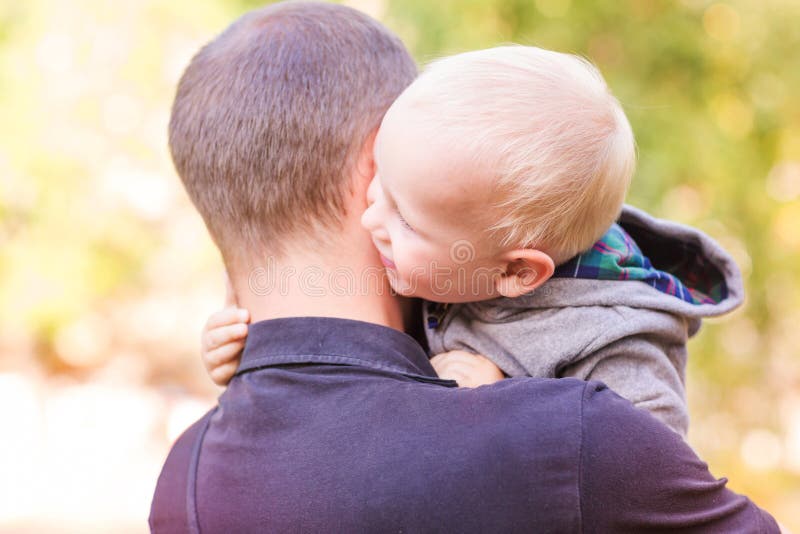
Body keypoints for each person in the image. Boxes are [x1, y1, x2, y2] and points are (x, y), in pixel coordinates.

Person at [151, 2, 780, 532]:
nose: (380, 221)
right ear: (381, 155)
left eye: (403, 212)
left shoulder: (183, 484)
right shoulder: (577, 440)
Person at [202, 46, 743, 437]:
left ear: (514, 273)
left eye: (406, 220)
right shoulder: (453, 256)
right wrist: (259, 355)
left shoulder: (618, 341)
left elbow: (647, 459)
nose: (371, 219)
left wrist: (508, 396)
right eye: (378, 184)